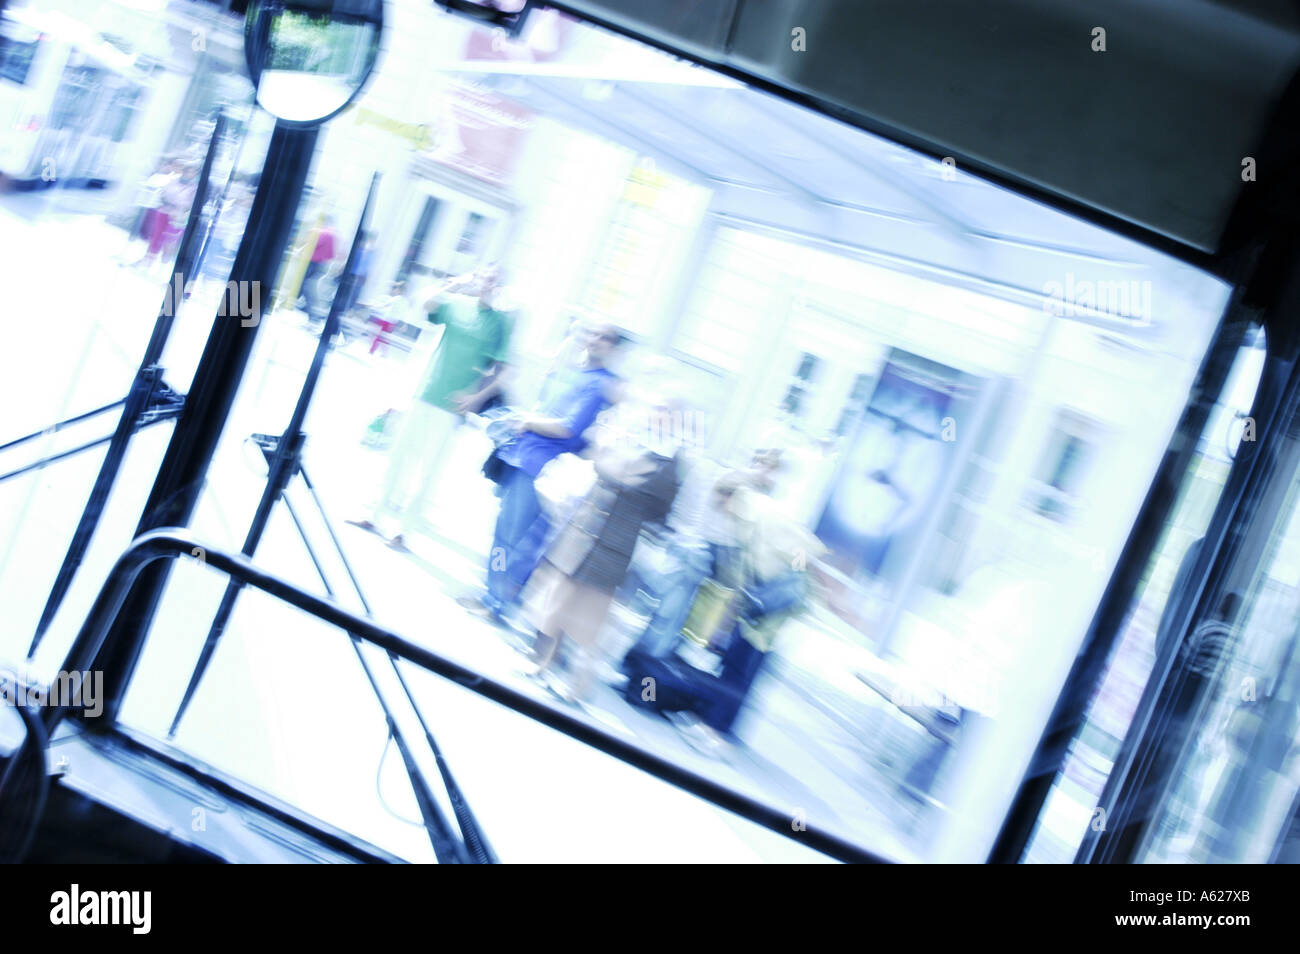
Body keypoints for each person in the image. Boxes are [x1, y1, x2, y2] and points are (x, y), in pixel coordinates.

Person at [458, 320, 625, 625]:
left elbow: (568, 428)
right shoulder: (572, 371)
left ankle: (500, 604)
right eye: (592, 333)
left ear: (614, 348)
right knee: (502, 533)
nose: (595, 339)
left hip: (541, 469)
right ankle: (490, 595)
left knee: (517, 540)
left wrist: (527, 422)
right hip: (520, 457)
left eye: (606, 338)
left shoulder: (602, 383)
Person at [523, 395, 682, 703]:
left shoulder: (670, 460)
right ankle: (543, 662)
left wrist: (624, 478)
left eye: (666, 413)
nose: (658, 416)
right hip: (583, 530)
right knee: (557, 601)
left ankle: (578, 687)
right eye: (657, 409)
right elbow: (598, 460)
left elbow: (660, 510)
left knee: (590, 621)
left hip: (614, 546)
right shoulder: (628, 437)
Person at [347, 264, 512, 550]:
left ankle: (405, 532)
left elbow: (504, 369)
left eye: (495, 280)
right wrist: (454, 284)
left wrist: (477, 398)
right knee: (399, 455)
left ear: (500, 286)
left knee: (429, 469)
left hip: (453, 406)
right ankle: (375, 516)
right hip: (426, 391)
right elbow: (424, 302)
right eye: (485, 276)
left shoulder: (500, 323)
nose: (488, 282)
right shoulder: (457, 304)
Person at [620, 448, 783, 666]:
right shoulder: (737, 479)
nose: (769, 475)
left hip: (724, 560)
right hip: (703, 550)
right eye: (767, 467)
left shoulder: (763, 495)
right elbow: (721, 499)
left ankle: (651, 668)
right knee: (671, 613)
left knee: (686, 621)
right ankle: (641, 666)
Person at [300, 213, 337, 319]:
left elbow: (313, 242)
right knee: (307, 285)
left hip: (313, 262)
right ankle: (307, 307)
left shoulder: (325, 232)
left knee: (307, 285)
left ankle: (312, 311)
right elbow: (331, 254)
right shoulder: (333, 234)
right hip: (321, 264)